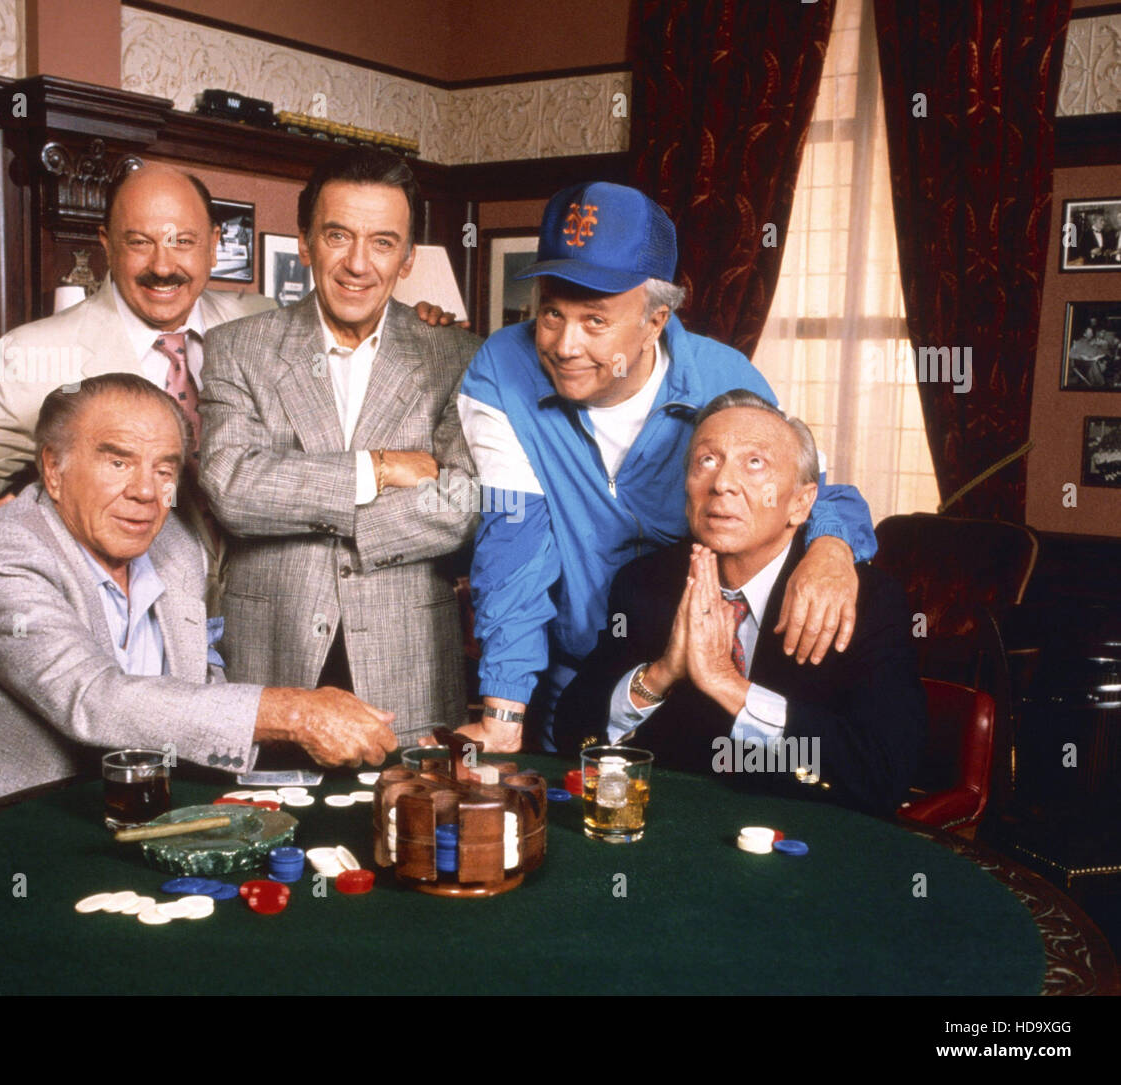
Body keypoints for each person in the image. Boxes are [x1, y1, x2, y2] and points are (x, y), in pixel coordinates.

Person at [0, 162, 457, 610]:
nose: (162, 266)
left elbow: (352, 326)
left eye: (183, 242)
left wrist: (418, 321)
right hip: (123, 627)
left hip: (260, 621)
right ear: (106, 244)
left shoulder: (260, 324)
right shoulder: (37, 353)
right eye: (140, 242)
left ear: (214, 245)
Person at [457, 182, 878, 753]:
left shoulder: (724, 377)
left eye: (595, 321)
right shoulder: (502, 368)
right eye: (552, 313)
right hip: (575, 684)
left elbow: (807, 491)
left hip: (695, 680)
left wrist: (832, 547)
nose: (564, 344)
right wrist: (504, 710)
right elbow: (513, 545)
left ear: (656, 320)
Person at [0, 374, 398, 818]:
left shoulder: (176, 548)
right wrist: (293, 713)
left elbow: (198, 689)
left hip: (136, 815)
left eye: (164, 471)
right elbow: (93, 699)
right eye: (118, 462)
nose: (145, 491)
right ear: (53, 470)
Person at [199, 148, 480, 744]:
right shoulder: (235, 348)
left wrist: (305, 507)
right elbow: (232, 490)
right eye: (337, 236)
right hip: (273, 660)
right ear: (305, 243)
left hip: (411, 667)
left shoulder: (457, 357)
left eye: (382, 242)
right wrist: (374, 471)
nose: (358, 263)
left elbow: (461, 506)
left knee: (416, 835)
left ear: (407, 259)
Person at [554, 391, 925, 816]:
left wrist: (727, 685)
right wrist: (660, 675)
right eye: (706, 461)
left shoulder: (867, 600)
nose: (722, 483)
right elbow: (572, 733)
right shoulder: (646, 581)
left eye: (755, 464)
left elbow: (882, 774)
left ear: (802, 502)